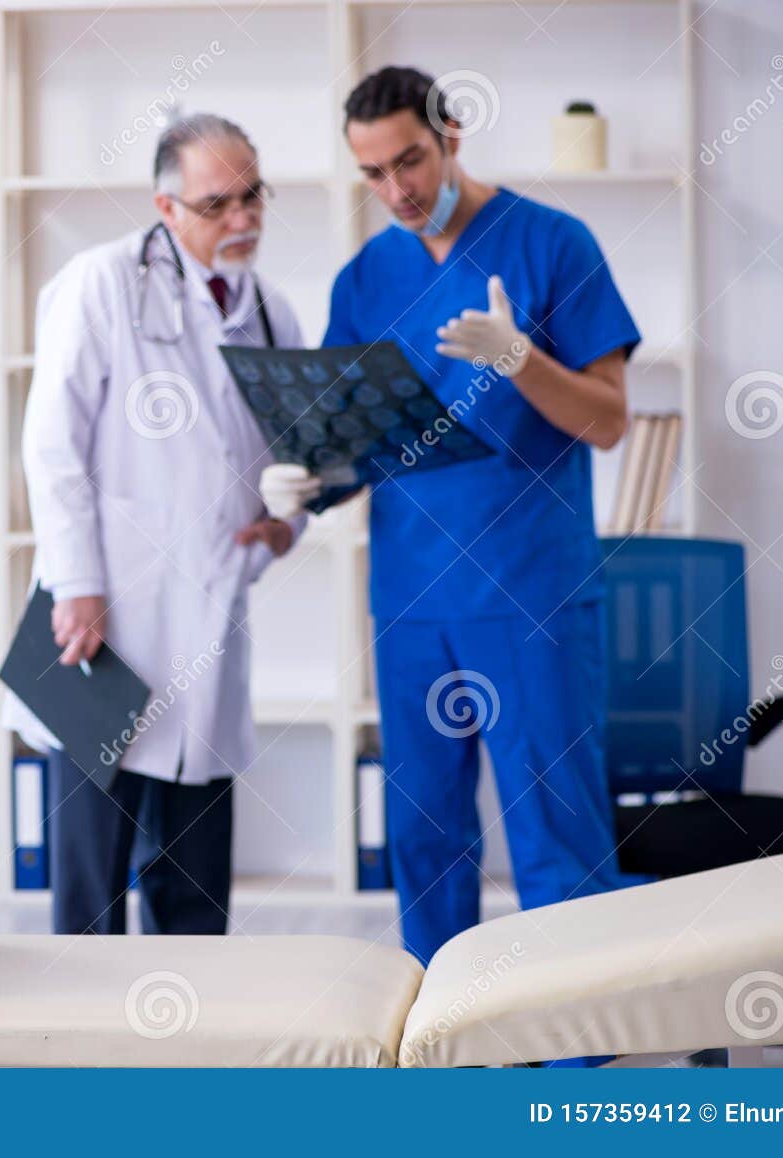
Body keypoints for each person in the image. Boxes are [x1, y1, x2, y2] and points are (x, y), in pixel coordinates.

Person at [262, 67, 652, 987]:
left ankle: (575, 1055)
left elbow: (608, 420)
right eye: (373, 173)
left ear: (453, 134)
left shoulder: (555, 243)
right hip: (411, 600)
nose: (397, 190)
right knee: (425, 831)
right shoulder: (366, 278)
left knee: (555, 830)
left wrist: (522, 359)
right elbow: (356, 446)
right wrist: (308, 483)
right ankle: (448, 1049)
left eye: (411, 161)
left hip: (530, 594)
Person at [4, 113, 307, 936]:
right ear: (166, 208)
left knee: (196, 891)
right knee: (88, 884)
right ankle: (86, 1056)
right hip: (99, 620)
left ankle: (190, 1049)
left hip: (210, 617)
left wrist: (285, 527)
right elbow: (52, 445)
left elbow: (298, 462)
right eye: (217, 205)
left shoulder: (274, 314)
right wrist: (77, 585)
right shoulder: (100, 283)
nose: (242, 220)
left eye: (253, 197)